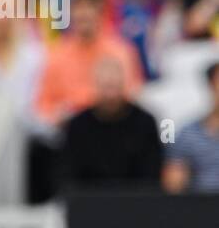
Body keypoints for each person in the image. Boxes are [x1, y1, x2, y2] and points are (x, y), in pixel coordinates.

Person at [60, 58, 162, 191]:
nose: (110, 95)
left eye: (115, 87)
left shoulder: (145, 122)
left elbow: (152, 174)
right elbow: (68, 173)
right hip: (89, 202)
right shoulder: (78, 126)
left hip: (135, 201)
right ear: (95, 87)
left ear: (123, 85)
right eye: (105, 87)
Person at [163, 61, 219, 194]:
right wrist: (178, 176)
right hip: (199, 208)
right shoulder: (188, 133)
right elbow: (172, 183)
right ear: (210, 87)